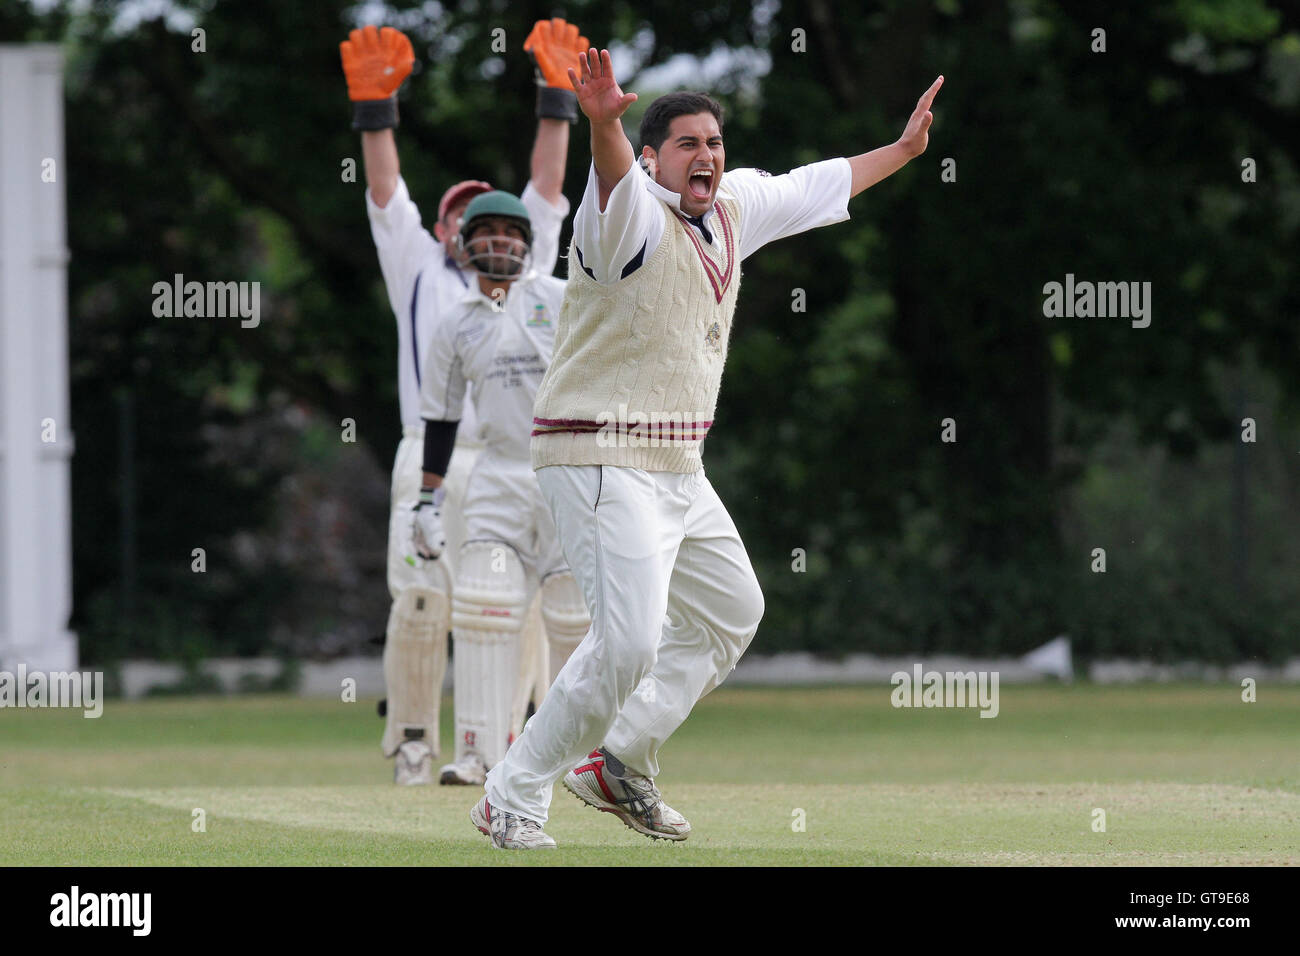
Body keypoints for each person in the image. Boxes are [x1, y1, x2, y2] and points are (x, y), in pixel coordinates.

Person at [471, 48, 944, 848]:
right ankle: (511, 797)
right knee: (627, 642)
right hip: (596, 453)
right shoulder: (620, 213)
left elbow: (814, 184)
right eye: (687, 145)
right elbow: (615, 175)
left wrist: (900, 151)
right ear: (655, 158)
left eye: (714, 143)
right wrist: (602, 124)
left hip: (676, 465)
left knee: (732, 611)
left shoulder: (733, 206)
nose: (707, 157)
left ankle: (619, 762)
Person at [339, 20, 586, 784]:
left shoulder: (533, 275)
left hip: (520, 456)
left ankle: (500, 747)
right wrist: (375, 109)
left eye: (495, 219)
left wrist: (557, 99)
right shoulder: (417, 268)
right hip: (434, 452)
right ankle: (414, 742)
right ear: (445, 229)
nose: (481, 228)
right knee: (419, 602)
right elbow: (385, 192)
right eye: (463, 215)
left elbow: (547, 189)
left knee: (510, 612)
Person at [412, 190, 590, 789]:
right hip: (498, 475)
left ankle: (578, 759)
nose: (498, 242)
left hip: (567, 470)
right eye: (483, 231)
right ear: (465, 245)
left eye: (509, 232)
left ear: (527, 243)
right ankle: (477, 753)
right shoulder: (455, 324)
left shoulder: (562, 297)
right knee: (483, 608)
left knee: (575, 617)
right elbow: (439, 418)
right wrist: (426, 501)